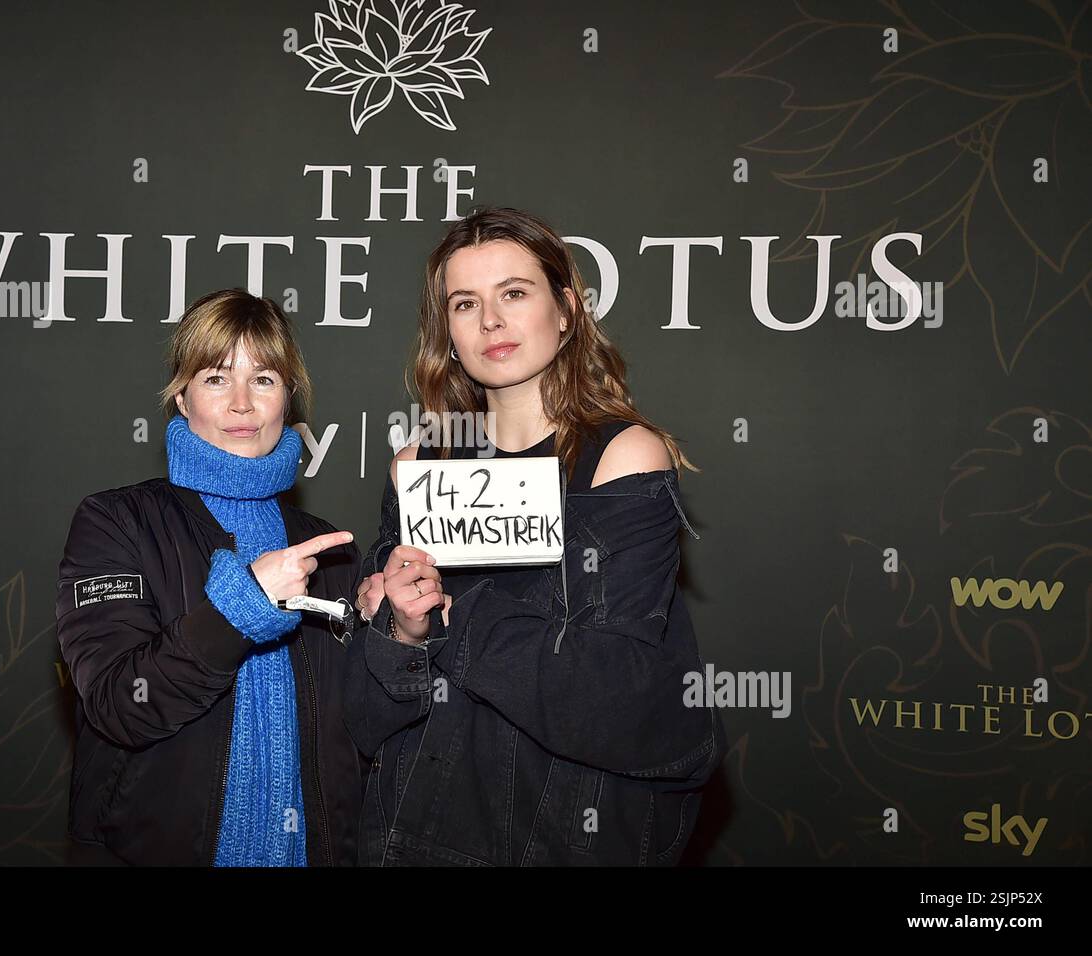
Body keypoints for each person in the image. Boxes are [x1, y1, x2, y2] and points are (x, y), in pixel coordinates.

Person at [344, 207, 727, 866]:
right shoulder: (418, 466)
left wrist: (444, 615)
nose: (490, 320)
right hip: (409, 833)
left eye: (513, 293)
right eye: (465, 303)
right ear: (449, 332)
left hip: (561, 838)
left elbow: (611, 695)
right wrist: (397, 638)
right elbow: (365, 719)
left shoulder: (624, 456)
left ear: (567, 309)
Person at [56, 289, 365, 866]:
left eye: (265, 379)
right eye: (218, 378)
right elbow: (122, 704)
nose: (243, 404)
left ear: (288, 397)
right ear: (182, 395)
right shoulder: (116, 523)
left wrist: (403, 639)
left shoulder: (331, 547)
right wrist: (241, 608)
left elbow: (366, 732)